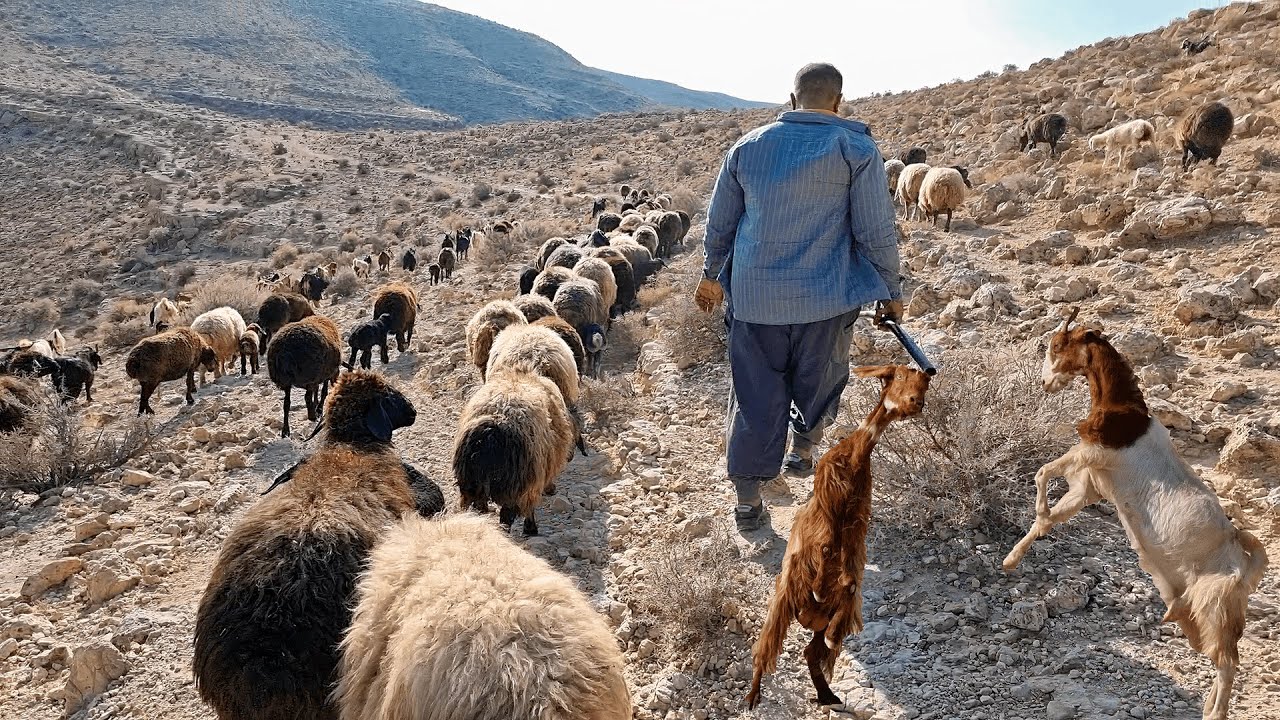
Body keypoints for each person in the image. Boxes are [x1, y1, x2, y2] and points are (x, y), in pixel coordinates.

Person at [695, 62, 903, 531]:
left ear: (792, 100)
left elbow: (720, 223)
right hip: (826, 299)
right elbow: (874, 229)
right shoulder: (855, 148)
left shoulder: (748, 147)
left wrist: (711, 275)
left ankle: (748, 499)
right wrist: (890, 289)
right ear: (838, 101)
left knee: (754, 393)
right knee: (822, 376)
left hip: (755, 300)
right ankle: (804, 448)